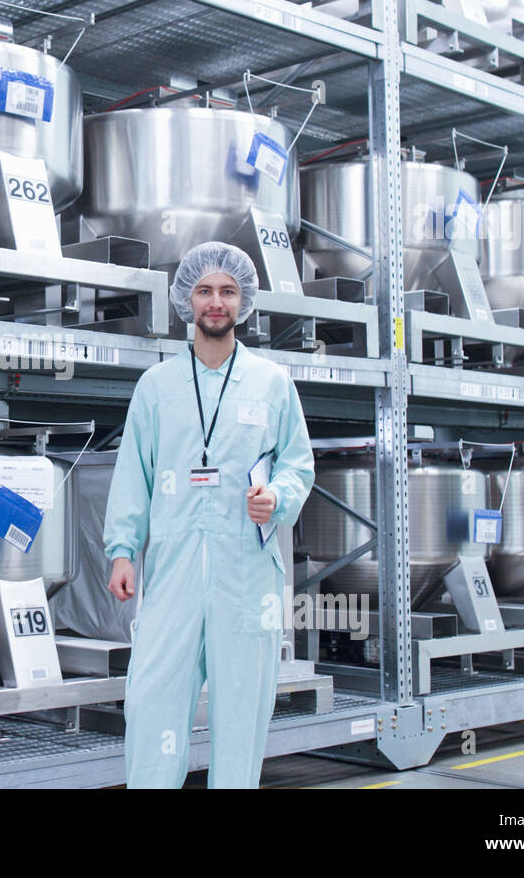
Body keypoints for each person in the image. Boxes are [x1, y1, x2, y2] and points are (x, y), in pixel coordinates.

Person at [103, 241, 315, 789]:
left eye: (227, 291)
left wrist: (278, 499)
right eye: (204, 291)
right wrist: (123, 551)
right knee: (151, 705)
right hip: (172, 575)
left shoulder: (273, 384)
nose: (215, 302)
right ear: (187, 301)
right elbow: (134, 475)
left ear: (242, 302)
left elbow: (298, 466)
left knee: (242, 715)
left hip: (247, 575)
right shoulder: (156, 388)